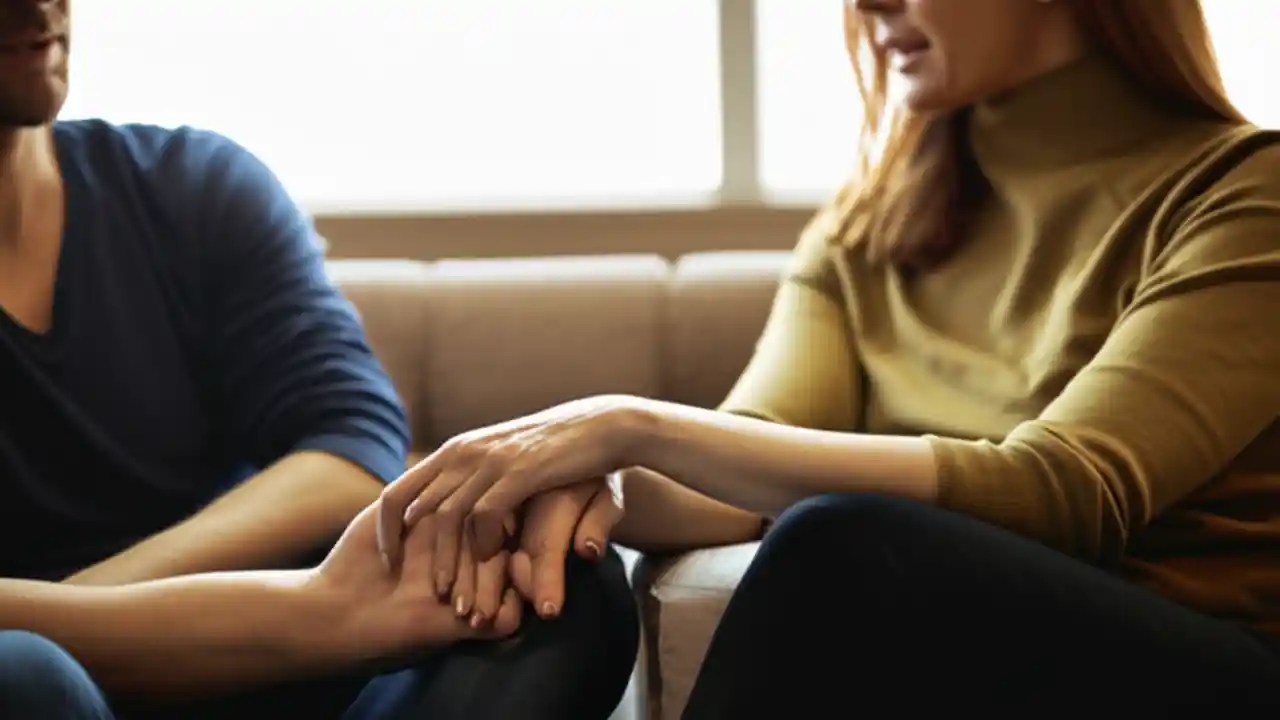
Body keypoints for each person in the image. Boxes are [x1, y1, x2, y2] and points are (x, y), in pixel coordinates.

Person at [377, 0, 1280, 715]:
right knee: (550, 547)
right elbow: (743, 459)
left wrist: (625, 426)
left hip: (1199, 654)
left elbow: (1067, 491)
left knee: (844, 545)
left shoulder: (1244, 190)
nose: (867, 2)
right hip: (956, 638)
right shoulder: (870, 229)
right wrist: (575, 482)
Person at [0, 1, 636, 718]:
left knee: (540, 578)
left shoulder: (191, 184)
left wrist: (97, 609)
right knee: (25, 675)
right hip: (81, 676)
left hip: (273, 642)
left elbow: (350, 447)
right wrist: (313, 617)